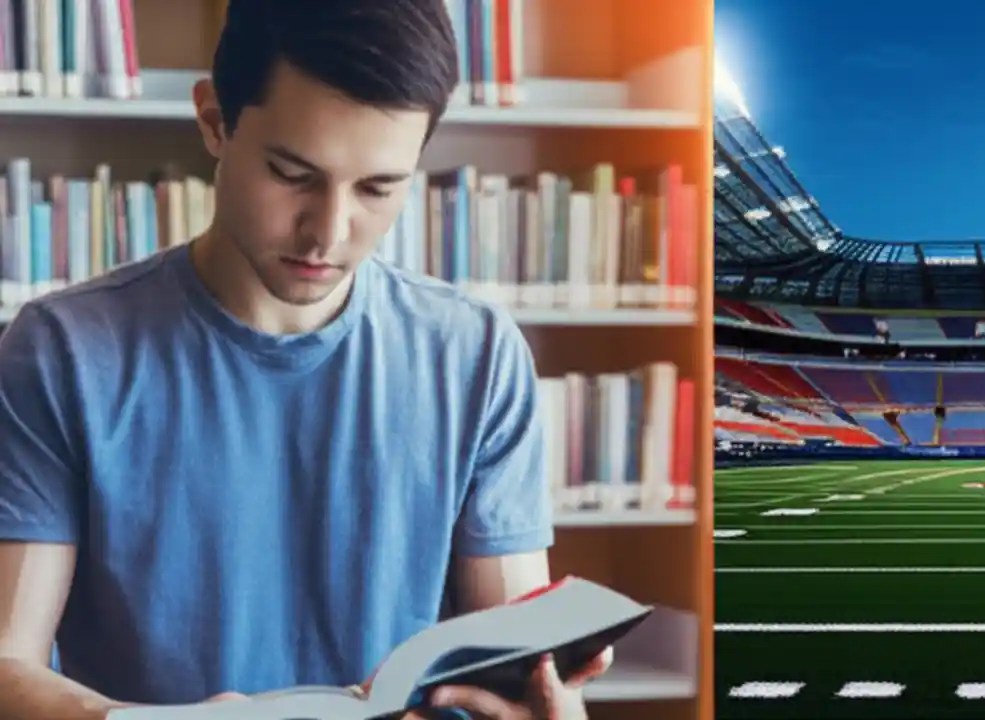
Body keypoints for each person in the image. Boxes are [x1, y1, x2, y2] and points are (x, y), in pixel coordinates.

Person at [0, 1, 611, 718]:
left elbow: (511, 661)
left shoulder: (476, 359)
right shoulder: (60, 353)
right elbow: (8, 663)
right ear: (214, 121)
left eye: (380, 188)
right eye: (293, 174)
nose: (329, 231)